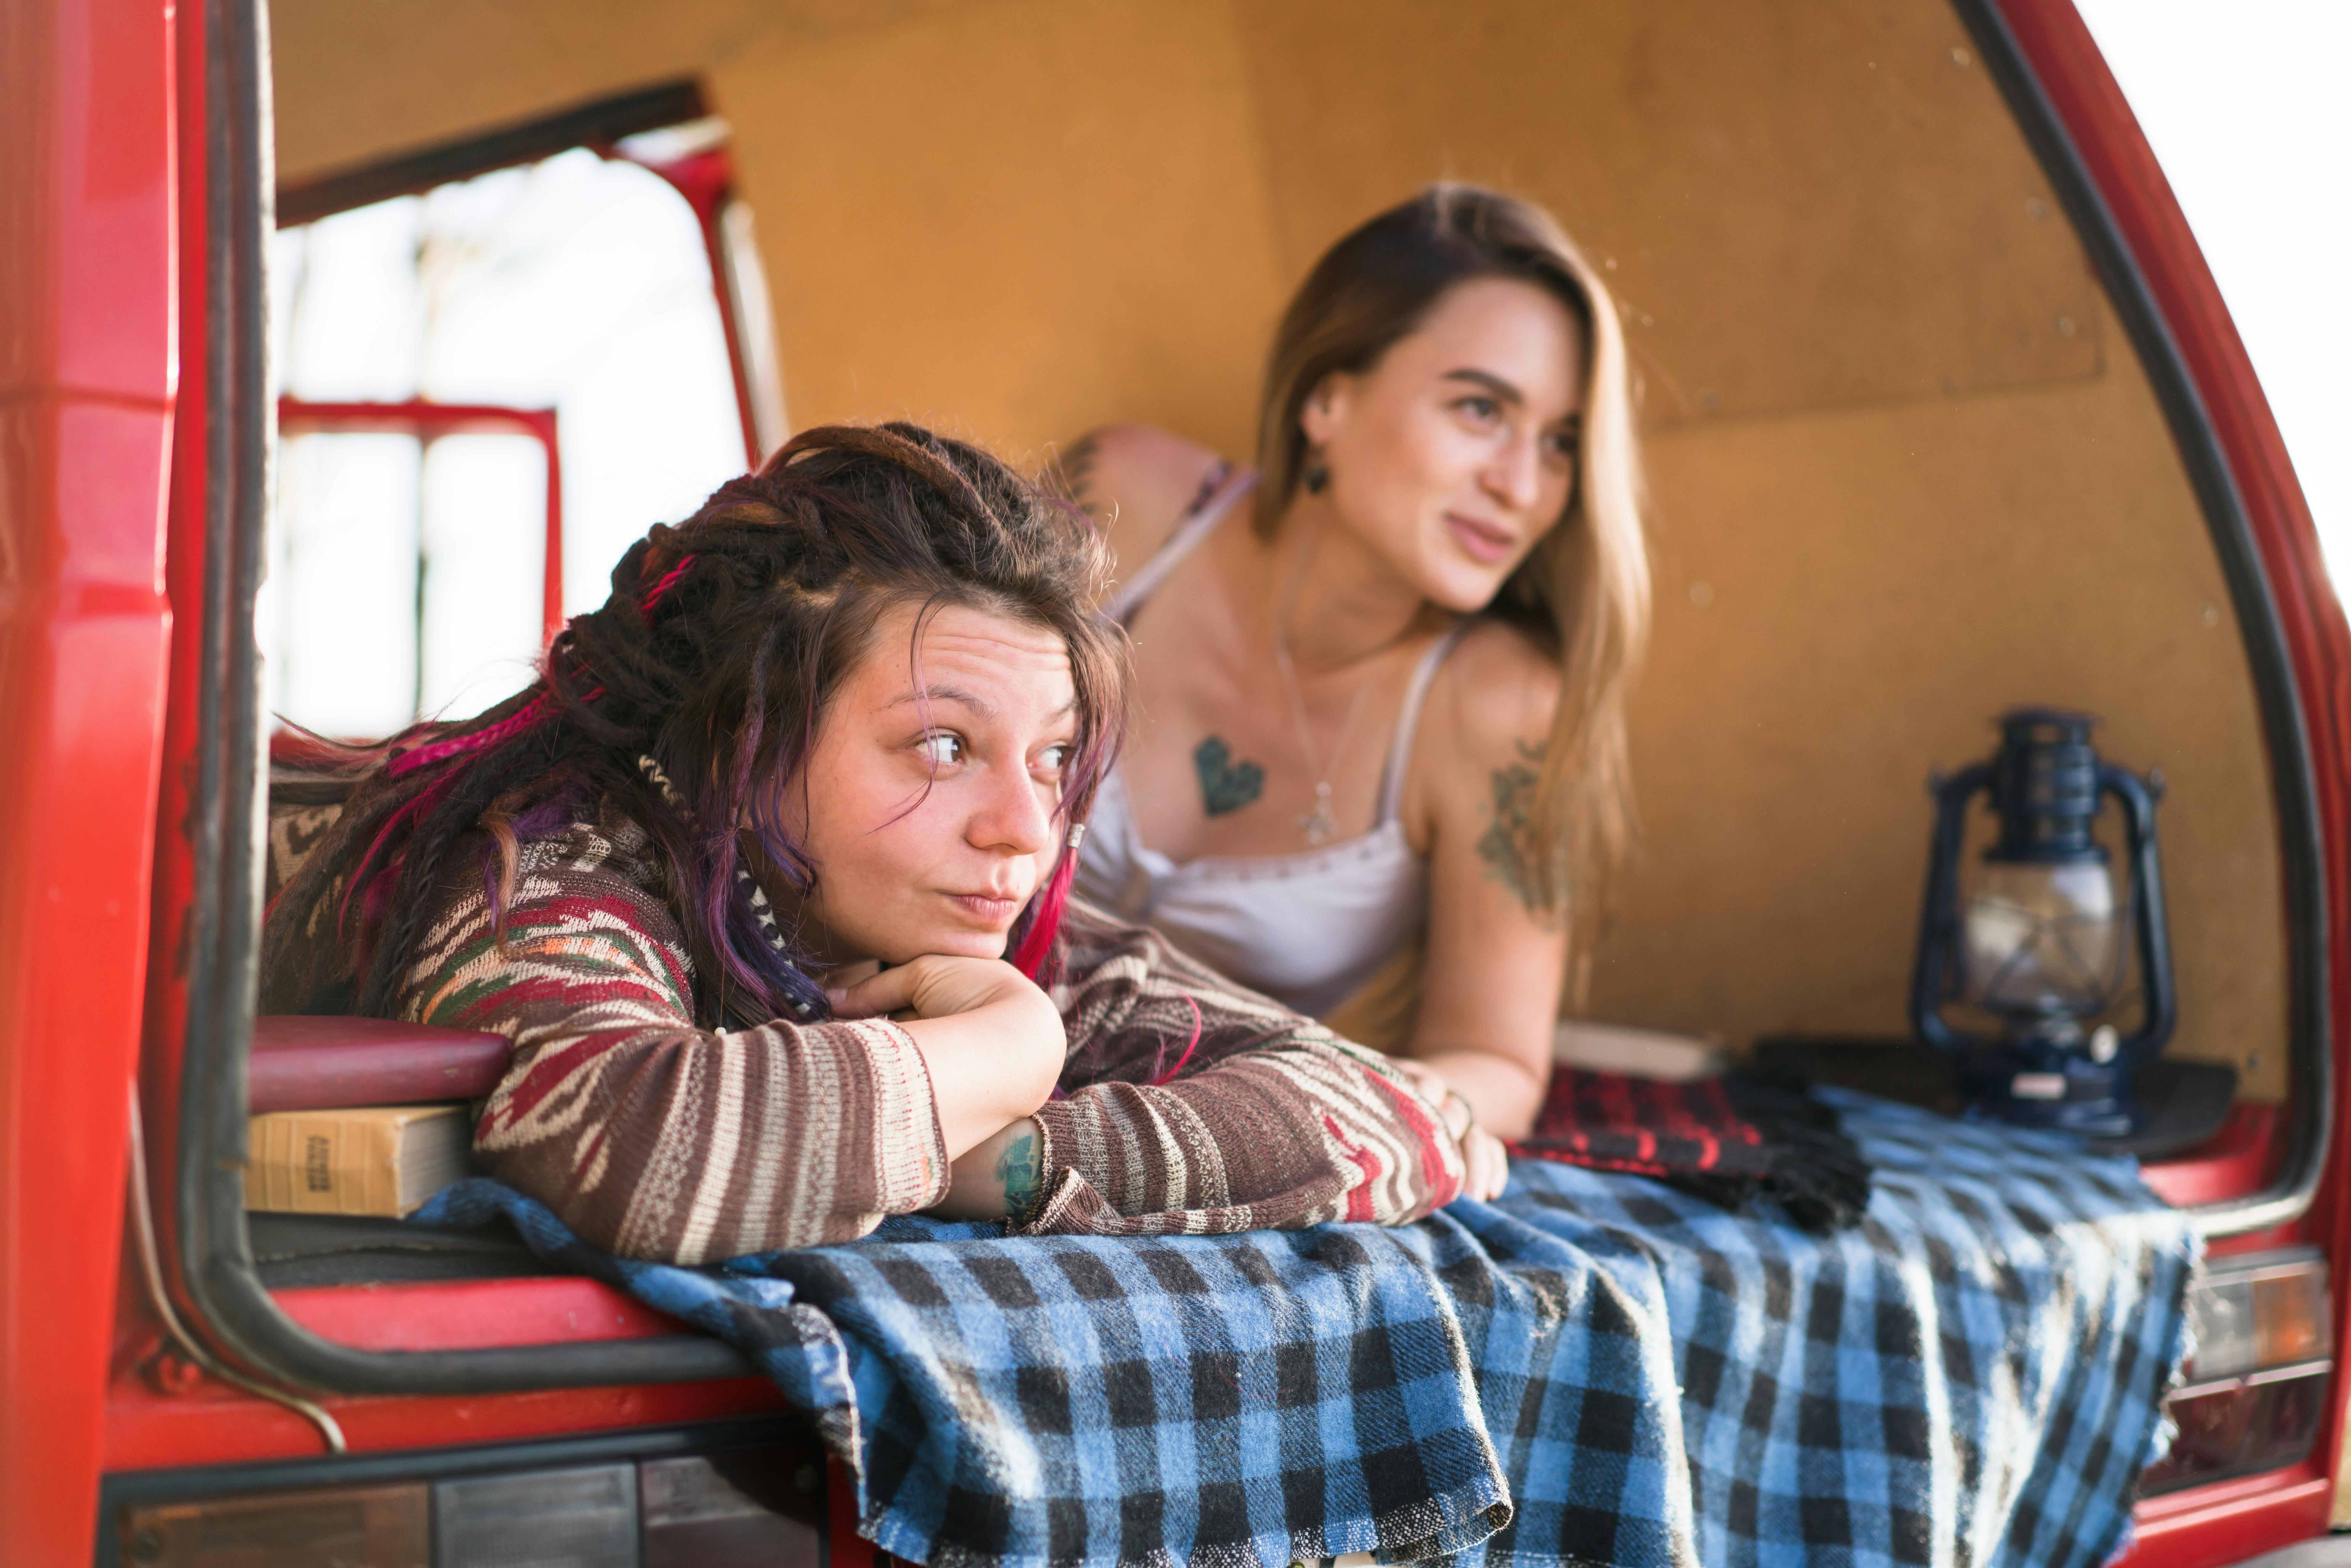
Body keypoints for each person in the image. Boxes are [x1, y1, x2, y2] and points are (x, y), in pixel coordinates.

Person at [261, 423, 1505, 1265]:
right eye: (943, 746)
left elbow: (1408, 1115)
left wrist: (1006, 1159)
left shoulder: (968, 915)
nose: (1024, 828)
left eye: (1052, 758)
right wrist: (1004, 1052)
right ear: (743, 744)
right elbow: (640, 1152)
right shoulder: (546, 858)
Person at [1057, 184, 1651, 1142]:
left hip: (1186, 1149)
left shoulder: (1500, 706)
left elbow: (1494, 1063)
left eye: (1560, 445)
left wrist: (1305, 1121)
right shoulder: (1125, 501)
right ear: (1327, 399)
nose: (1522, 485)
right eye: (1480, 409)